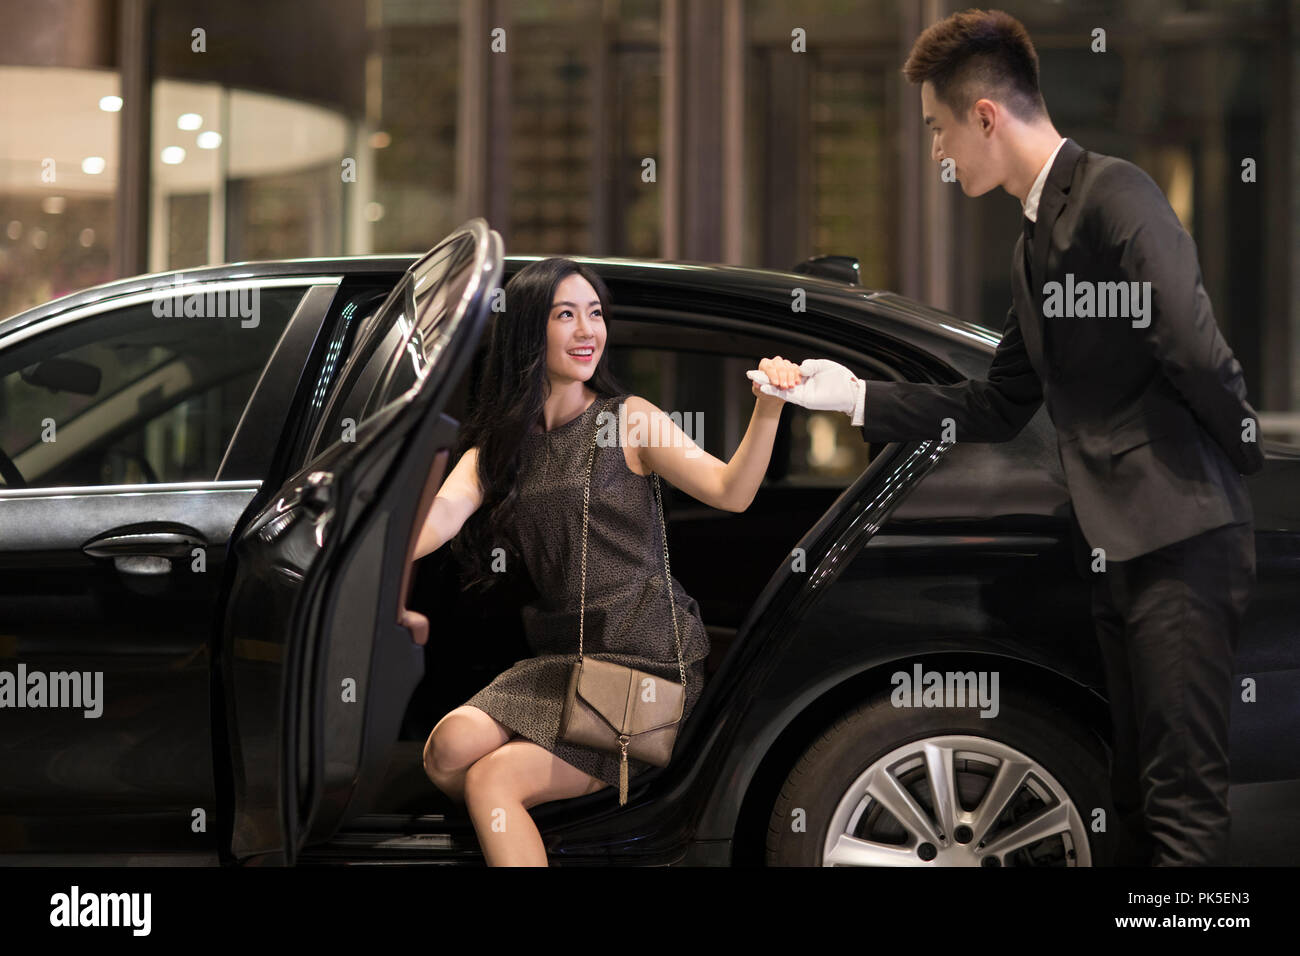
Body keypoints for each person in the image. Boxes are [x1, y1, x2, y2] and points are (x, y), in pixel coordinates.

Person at [754, 9, 1263, 866]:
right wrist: (844, 397)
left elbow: (1193, 346)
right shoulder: (1034, 245)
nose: (936, 153)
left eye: (936, 129)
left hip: (1182, 541)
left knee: (1181, 805)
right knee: (1134, 796)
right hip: (1125, 550)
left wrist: (1240, 453)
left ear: (985, 116)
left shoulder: (1116, 194)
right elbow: (997, 404)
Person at [403, 256, 800, 866]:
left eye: (595, 313)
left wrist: (768, 406)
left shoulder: (628, 419)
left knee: (494, 780)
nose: (588, 330)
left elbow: (731, 492)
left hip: (644, 661)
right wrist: (360, 549)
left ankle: (533, 823)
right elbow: (441, 517)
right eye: (566, 315)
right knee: (447, 750)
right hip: (564, 657)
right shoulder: (500, 447)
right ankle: (553, 837)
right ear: (528, 331)